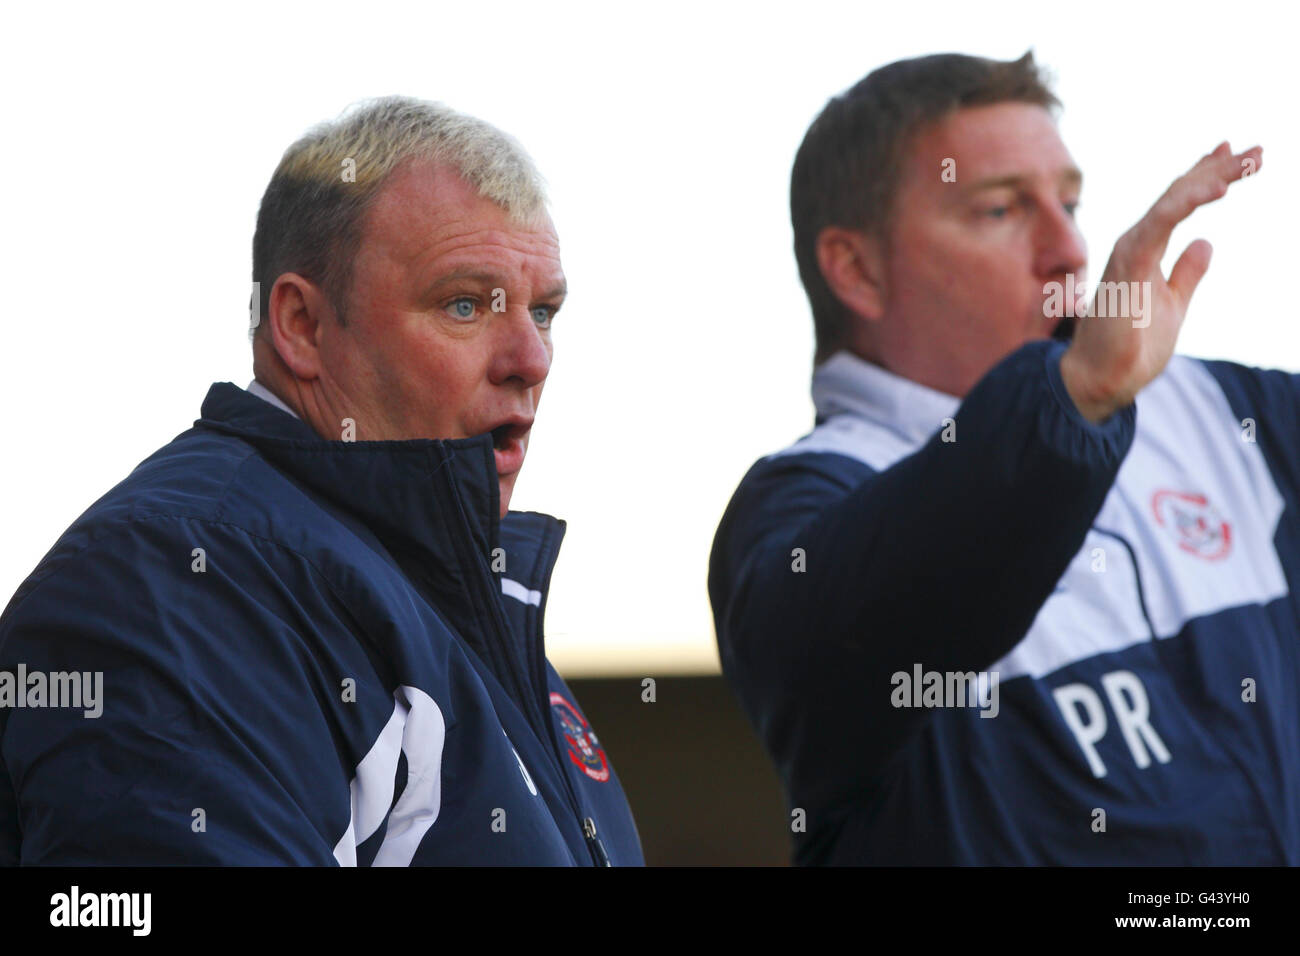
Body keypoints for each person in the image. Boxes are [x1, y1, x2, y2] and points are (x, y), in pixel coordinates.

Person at [0, 96, 643, 866]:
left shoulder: (467, 617)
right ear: (301, 326)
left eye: (543, 313)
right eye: (465, 304)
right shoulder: (178, 579)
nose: (531, 360)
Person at [708, 51, 1295, 864]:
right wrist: (1073, 399)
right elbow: (848, 628)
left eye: (1071, 201)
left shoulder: (1223, 415)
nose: (1069, 249)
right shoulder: (800, 510)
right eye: (999, 210)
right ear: (857, 268)